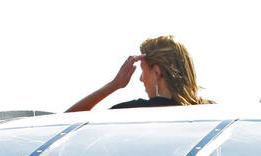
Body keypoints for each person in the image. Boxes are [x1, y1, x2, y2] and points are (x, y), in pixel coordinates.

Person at [67, 35, 214, 112]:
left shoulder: (132, 112)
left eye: (143, 71)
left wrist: (114, 84)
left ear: (157, 72)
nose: (141, 79)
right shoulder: (208, 111)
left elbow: (69, 120)